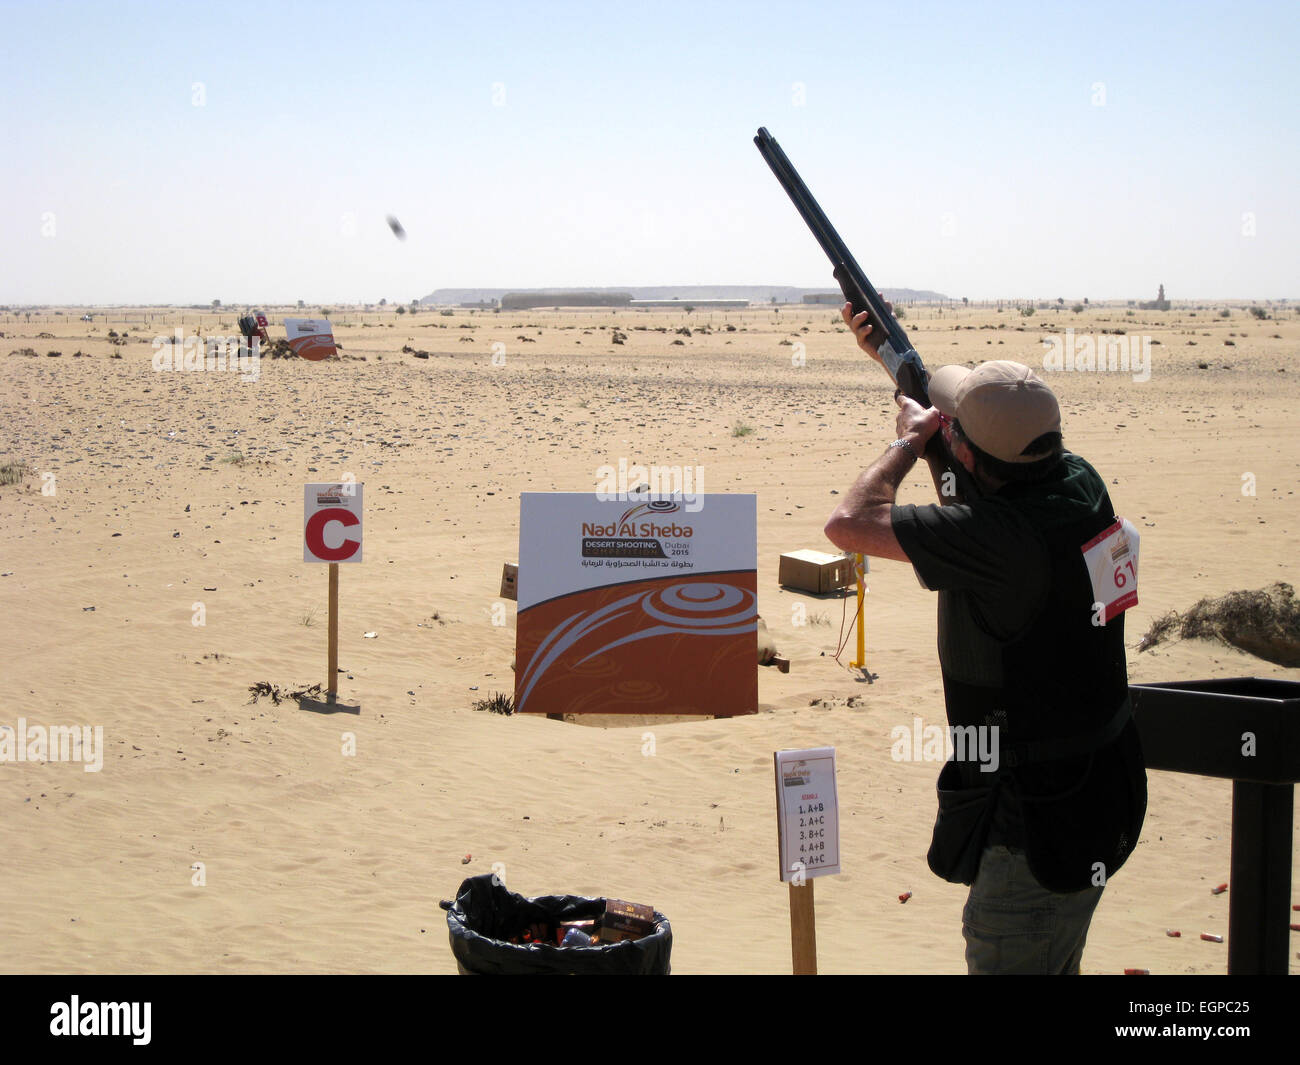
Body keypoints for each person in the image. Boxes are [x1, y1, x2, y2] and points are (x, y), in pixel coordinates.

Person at [824, 304, 1147, 975]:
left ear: (967, 453)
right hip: (1098, 799)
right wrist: (892, 365)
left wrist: (910, 441)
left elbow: (849, 521)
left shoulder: (1000, 540)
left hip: (1035, 837)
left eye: (953, 434)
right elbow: (981, 491)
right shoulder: (1079, 482)